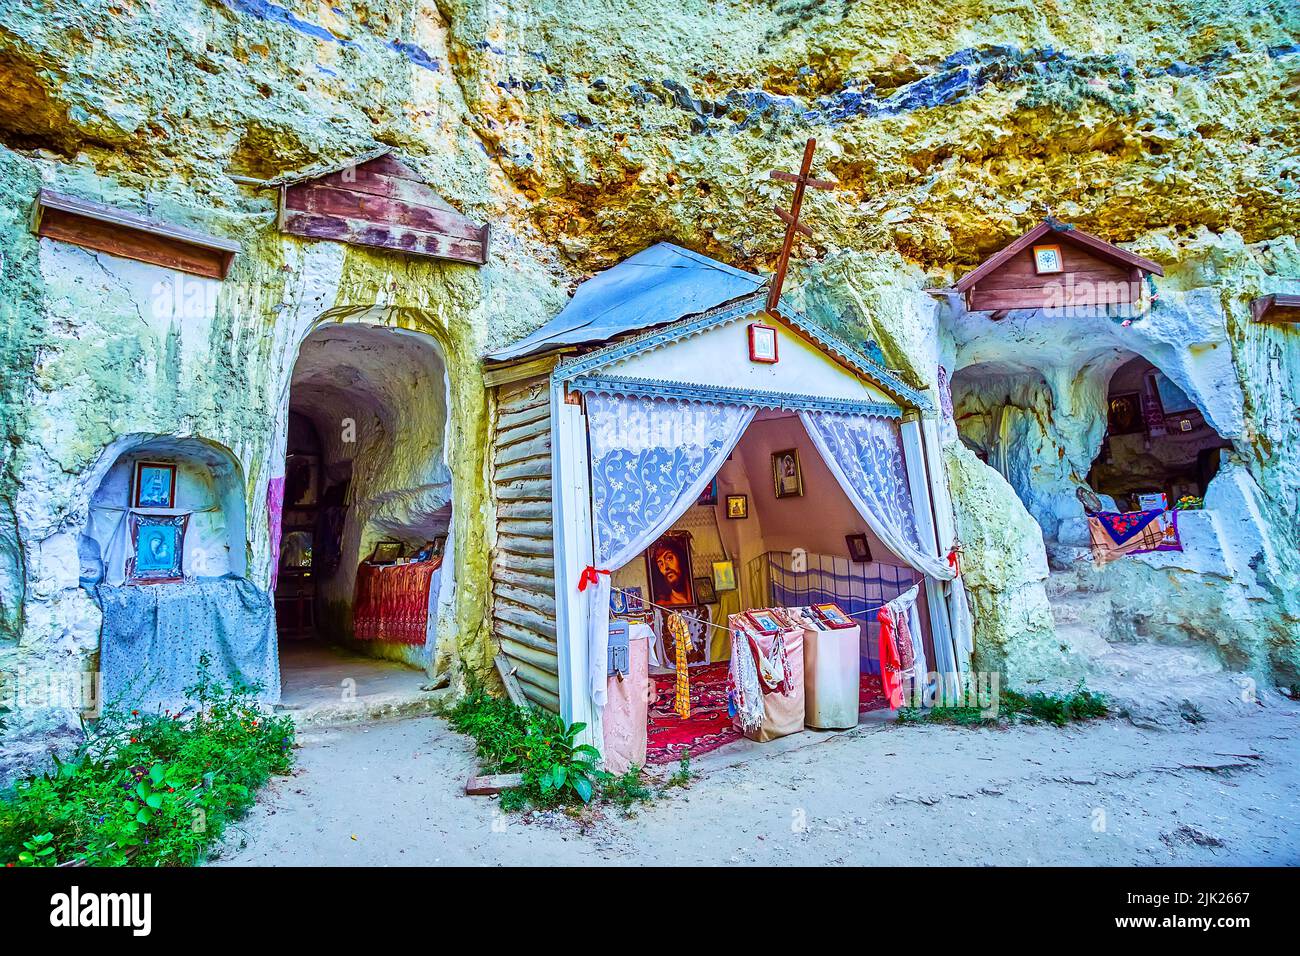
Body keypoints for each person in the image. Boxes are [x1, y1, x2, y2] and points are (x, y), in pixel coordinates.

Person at [651, 542, 692, 606]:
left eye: (669, 558)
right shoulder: (662, 606)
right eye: (661, 564)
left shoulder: (696, 597)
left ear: (680, 558)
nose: (666, 567)